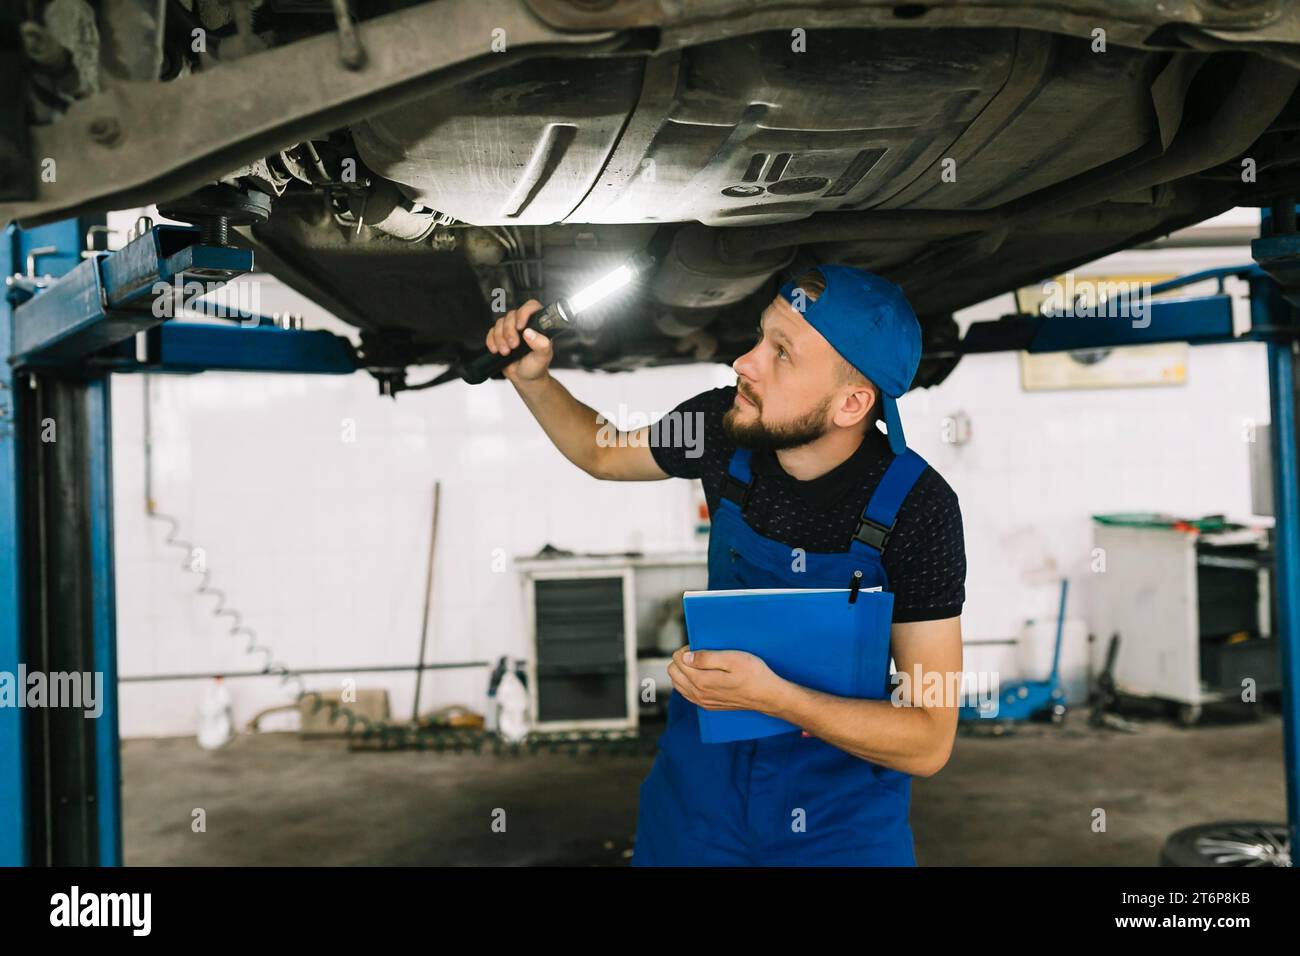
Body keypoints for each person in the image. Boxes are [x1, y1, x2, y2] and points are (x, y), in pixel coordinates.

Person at [485, 264, 966, 865]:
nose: (745, 361)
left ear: (852, 403)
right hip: (699, 796)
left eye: (781, 354)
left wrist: (776, 698)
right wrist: (533, 381)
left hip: (841, 818)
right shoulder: (720, 428)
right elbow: (602, 452)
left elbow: (928, 740)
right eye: (762, 336)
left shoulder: (919, 510)